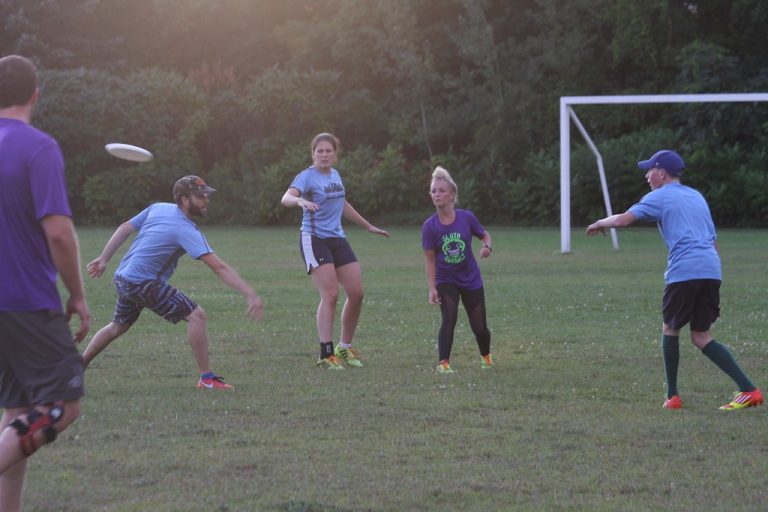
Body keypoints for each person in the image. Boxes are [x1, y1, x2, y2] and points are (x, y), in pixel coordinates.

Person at [586, 149, 763, 411]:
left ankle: (673, 397)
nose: (647, 176)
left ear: (662, 173)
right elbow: (713, 242)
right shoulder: (697, 196)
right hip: (711, 268)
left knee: (670, 328)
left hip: (685, 270)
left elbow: (623, 220)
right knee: (701, 335)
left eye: (650, 170)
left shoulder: (659, 196)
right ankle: (749, 390)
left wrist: (600, 222)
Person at [0, 54, 91, 512]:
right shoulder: (38, 147)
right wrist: (76, 293)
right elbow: (58, 232)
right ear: (36, 94)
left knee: (17, 416)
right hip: (25, 300)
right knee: (63, 403)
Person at [82, 175, 264, 390]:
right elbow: (218, 267)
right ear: (184, 199)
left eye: (207, 195)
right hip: (142, 282)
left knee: (117, 326)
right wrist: (250, 293)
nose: (206, 200)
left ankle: (76, 367)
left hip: (123, 278)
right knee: (197, 316)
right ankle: (207, 380)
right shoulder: (184, 229)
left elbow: (125, 227)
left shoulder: (158, 208)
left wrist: (104, 259)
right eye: (200, 196)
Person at [281, 133, 389, 369]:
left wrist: (368, 226)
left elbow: (343, 204)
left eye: (328, 150)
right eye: (319, 151)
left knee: (357, 293)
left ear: (335, 154)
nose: (324, 154)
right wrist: (299, 202)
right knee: (330, 295)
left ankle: (344, 348)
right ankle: (326, 353)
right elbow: (286, 198)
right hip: (315, 239)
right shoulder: (306, 176)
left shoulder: (335, 175)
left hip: (337, 238)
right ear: (313, 154)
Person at [422, 166, 494, 374]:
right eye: (433, 191)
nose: (437, 194)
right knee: (449, 318)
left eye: (441, 190)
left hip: (471, 278)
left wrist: (487, 247)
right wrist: (432, 287)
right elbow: (429, 260)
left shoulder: (466, 218)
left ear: (452, 194)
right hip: (446, 279)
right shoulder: (429, 226)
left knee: (479, 326)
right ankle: (443, 363)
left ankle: (486, 357)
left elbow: (485, 235)